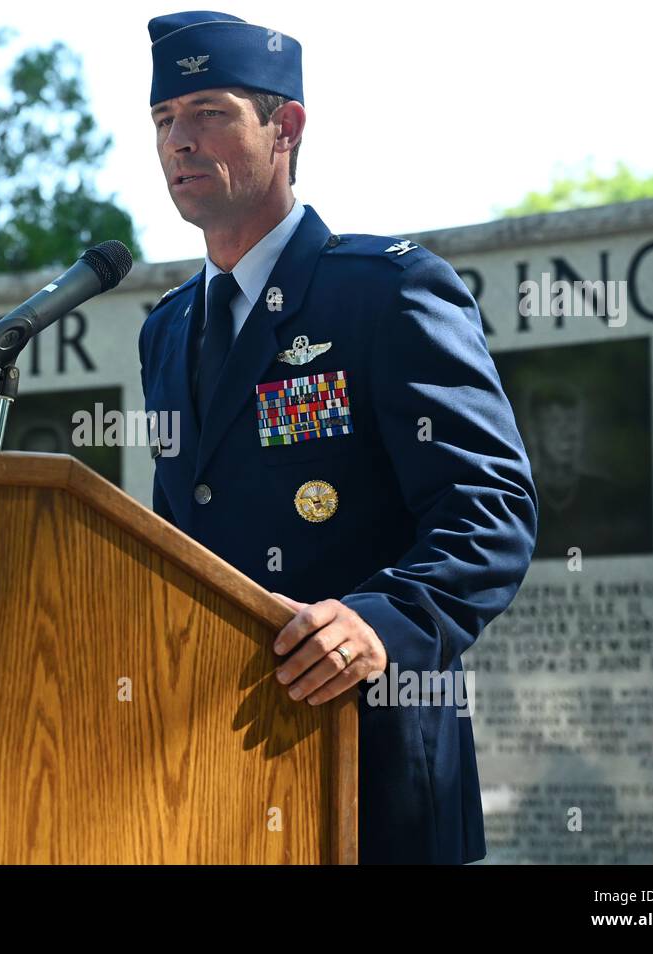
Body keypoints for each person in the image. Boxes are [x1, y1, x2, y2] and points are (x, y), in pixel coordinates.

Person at [139, 10, 539, 863]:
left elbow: (490, 510)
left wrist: (379, 624)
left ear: (286, 126)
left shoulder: (386, 291)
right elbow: (172, 533)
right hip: (214, 775)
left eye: (209, 111)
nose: (180, 140)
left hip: (375, 772)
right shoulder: (166, 330)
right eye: (163, 120)